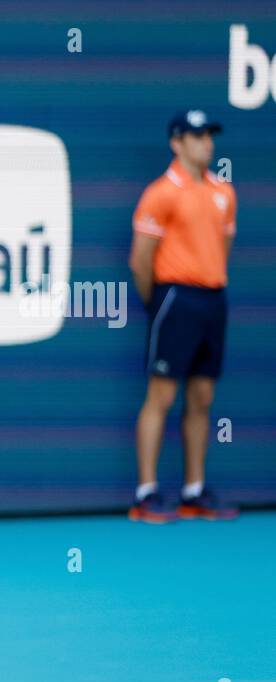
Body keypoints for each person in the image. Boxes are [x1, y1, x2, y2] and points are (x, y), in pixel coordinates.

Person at [127, 109, 239, 523]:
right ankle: (146, 493)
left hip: (213, 300)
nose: (207, 143)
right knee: (162, 396)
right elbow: (141, 261)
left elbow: (221, 250)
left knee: (202, 398)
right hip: (174, 299)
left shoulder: (224, 192)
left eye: (209, 135)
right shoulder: (161, 192)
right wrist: (157, 303)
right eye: (197, 136)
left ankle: (193, 490)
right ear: (177, 143)